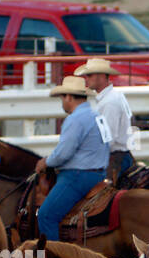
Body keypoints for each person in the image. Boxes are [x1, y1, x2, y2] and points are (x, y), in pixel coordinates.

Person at [34, 75, 109, 243]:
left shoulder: (75, 119)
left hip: (77, 176)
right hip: (99, 174)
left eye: (62, 98)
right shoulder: (98, 116)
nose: (62, 102)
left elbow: (63, 153)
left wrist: (45, 162)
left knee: (46, 215)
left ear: (68, 97)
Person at [75, 58, 135, 185]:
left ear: (101, 76)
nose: (86, 78)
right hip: (118, 156)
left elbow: (108, 140)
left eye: (89, 75)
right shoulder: (112, 97)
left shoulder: (109, 102)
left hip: (114, 158)